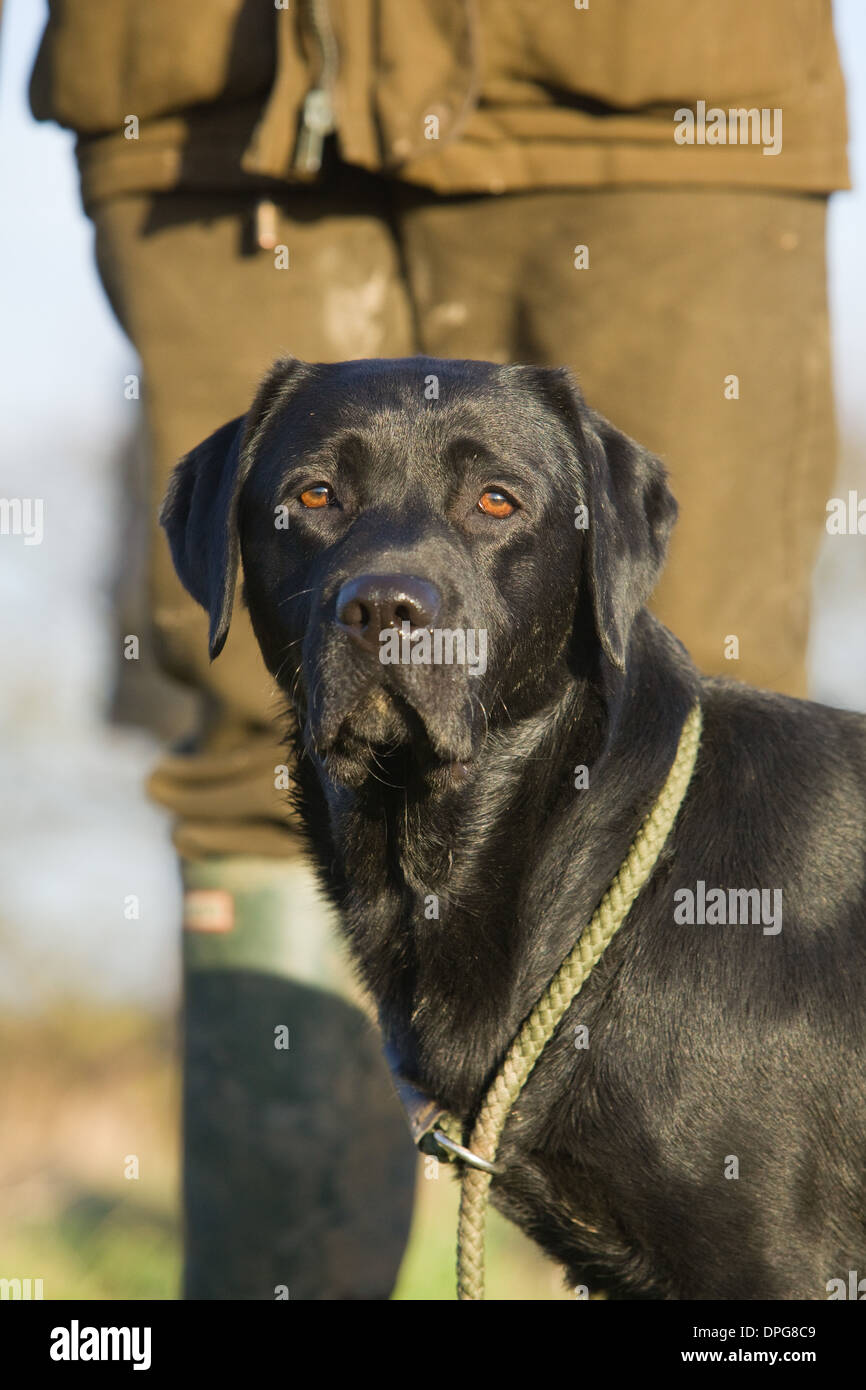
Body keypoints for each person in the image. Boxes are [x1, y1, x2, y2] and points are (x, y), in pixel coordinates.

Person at [30, 0, 849, 1299]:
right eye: (315, 504)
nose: (384, 591)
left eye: (487, 507)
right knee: (256, 769)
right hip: (211, 88)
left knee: (715, 773)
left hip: (657, 83)